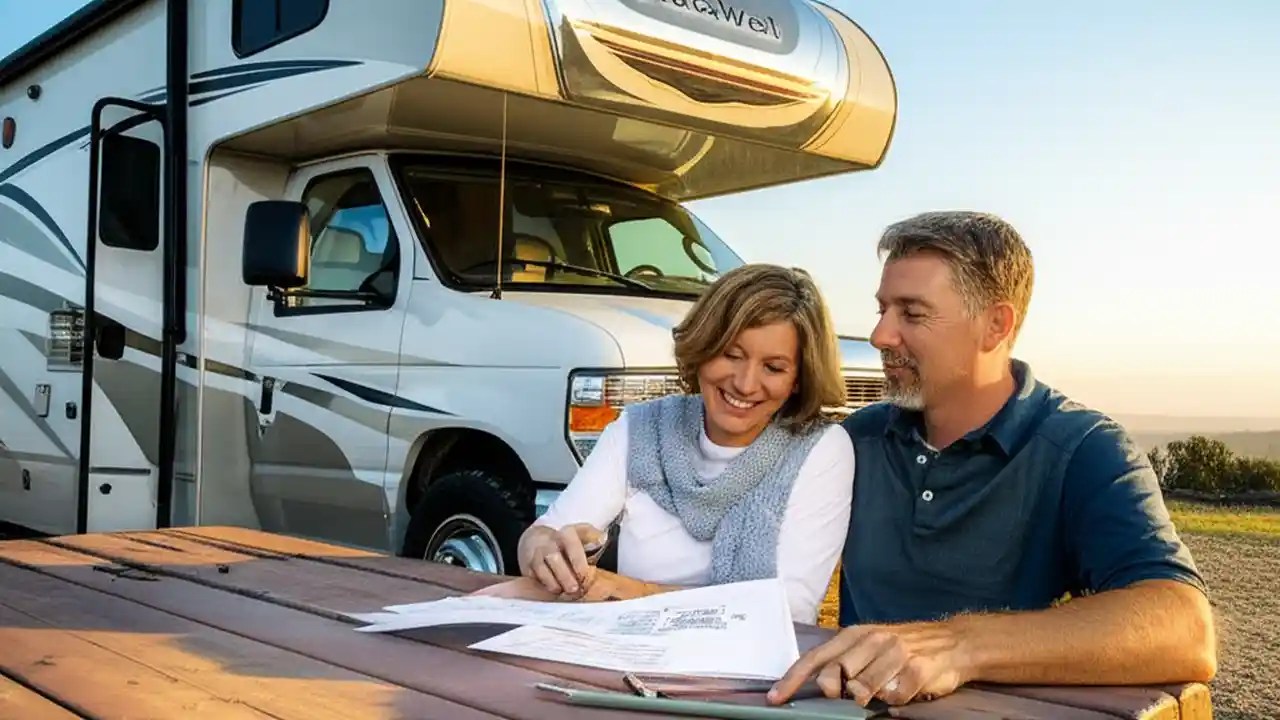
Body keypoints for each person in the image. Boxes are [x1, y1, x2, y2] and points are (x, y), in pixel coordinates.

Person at [767, 211, 1217, 708]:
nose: (880, 336)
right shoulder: (854, 442)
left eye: (911, 313)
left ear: (995, 325)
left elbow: (1185, 626)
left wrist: (958, 646)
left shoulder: (1082, 447)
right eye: (882, 310)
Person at [475, 263, 856, 624]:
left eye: (773, 367)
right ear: (703, 348)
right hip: (626, 653)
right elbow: (550, 531)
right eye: (731, 354)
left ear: (799, 379)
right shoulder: (641, 427)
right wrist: (540, 547)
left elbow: (787, 607)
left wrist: (633, 593)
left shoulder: (821, 449)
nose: (744, 383)